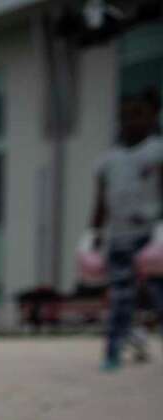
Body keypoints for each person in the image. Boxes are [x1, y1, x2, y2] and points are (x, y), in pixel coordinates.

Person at [89, 90, 163, 371]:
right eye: (126, 116)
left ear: (153, 116)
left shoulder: (157, 152)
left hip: (153, 235)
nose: (131, 121)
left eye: (138, 114)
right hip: (120, 237)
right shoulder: (108, 162)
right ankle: (113, 351)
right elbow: (100, 204)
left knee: (159, 293)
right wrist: (92, 237)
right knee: (121, 298)